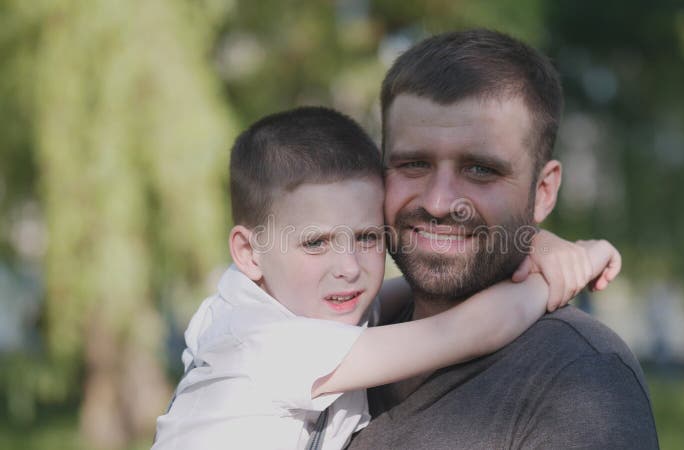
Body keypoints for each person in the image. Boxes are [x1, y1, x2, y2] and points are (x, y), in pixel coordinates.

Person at [151, 107, 621, 450]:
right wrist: (553, 279)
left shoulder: (278, 301)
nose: (349, 267)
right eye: (315, 243)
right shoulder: (267, 344)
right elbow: (469, 329)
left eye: (368, 237)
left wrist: (534, 245)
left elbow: (413, 293)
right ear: (248, 253)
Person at [347, 29, 660, 449]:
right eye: (414, 164)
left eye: (480, 170)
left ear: (543, 192)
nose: (438, 203)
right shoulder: (334, 328)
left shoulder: (578, 377)